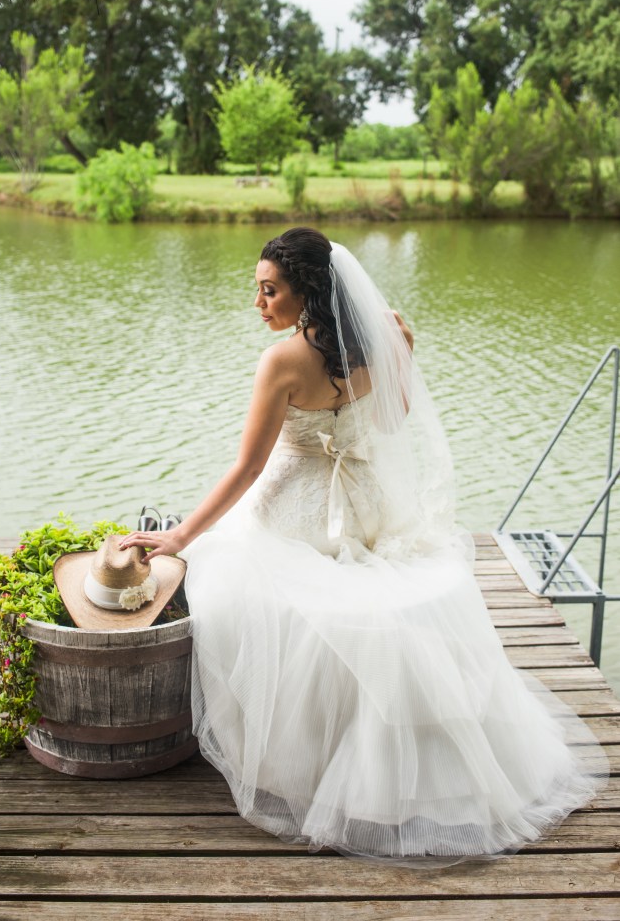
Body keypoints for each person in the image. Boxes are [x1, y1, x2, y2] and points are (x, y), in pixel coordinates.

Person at [120, 226, 607, 865]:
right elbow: (396, 420)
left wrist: (182, 536)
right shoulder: (380, 338)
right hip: (367, 505)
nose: (259, 304)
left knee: (227, 576)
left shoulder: (282, 361)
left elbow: (244, 470)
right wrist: (403, 350)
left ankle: (304, 766)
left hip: (296, 515)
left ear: (308, 292)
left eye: (270, 291)